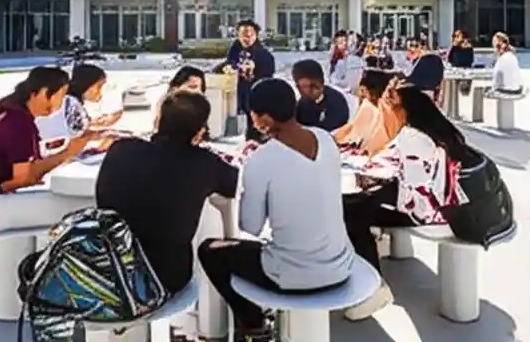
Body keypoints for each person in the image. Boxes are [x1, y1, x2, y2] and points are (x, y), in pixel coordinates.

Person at [197, 79, 354, 342]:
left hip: (292, 275)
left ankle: (253, 322)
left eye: (253, 114)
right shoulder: (325, 139)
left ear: (264, 118)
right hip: (341, 265)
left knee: (209, 251)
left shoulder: (261, 159)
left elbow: (250, 226)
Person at [341, 83, 480, 321]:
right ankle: (368, 269)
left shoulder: (412, 137)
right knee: (364, 205)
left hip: (431, 214)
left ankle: (372, 287)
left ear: (403, 110)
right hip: (450, 207)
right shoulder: (442, 131)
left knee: (353, 210)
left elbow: (398, 178)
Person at [95, 90, 238, 297]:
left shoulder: (121, 148)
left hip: (109, 273)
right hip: (164, 279)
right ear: (199, 131)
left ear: (158, 120)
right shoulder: (204, 163)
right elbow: (237, 185)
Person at [0, 66, 96, 197]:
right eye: (60, 96)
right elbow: (24, 179)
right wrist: (68, 153)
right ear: (44, 93)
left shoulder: (17, 116)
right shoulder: (18, 123)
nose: (60, 105)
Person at [225, 20, 275, 141]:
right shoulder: (234, 50)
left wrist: (254, 69)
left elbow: (268, 75)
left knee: (257, 129)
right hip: (240, 93)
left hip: (258, 96)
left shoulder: (263, 54)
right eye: (243, 35)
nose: (246, 38)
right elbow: (229, 63)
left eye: (249, 35)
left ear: (255, 35)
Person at [334, 68, 402, 155]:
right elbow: (353, 126)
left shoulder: (376, 108)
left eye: (363, 91)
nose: (361, 95)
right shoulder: (370, 106)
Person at [291, 58, 351, 132]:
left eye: (312, 86)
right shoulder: (302, 103)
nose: (309, 90)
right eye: (302, 87)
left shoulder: (337, 102)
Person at [154, 65, 207, 132]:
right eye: (192, 87)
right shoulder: (168, 102)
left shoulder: (201, 106)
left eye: (201, 89)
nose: (198, 92)